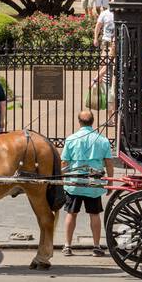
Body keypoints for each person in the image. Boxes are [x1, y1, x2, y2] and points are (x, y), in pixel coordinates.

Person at [61, 110, 113, 257]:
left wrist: (62, 179)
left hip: (75, 182)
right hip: (93, 183)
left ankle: (67, 245)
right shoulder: (102, 140)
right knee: (94, 214)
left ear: (79, 122)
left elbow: (65, 162)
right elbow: (109, 163)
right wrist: (109, 180)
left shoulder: (71, 139)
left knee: (71, 213)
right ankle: (96, 246)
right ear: (93, 121)